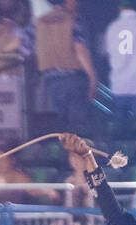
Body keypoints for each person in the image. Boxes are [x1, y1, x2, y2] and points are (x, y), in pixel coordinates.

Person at [33, 0, 97, 134]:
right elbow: (80, 50)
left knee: (60, 127)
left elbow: (26, 46)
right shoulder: (73, 19)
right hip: (73, 79)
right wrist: (92, 78)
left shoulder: (40, 21)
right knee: (78, 128)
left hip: (50, 81)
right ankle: (77, 154)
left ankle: (64, 154)